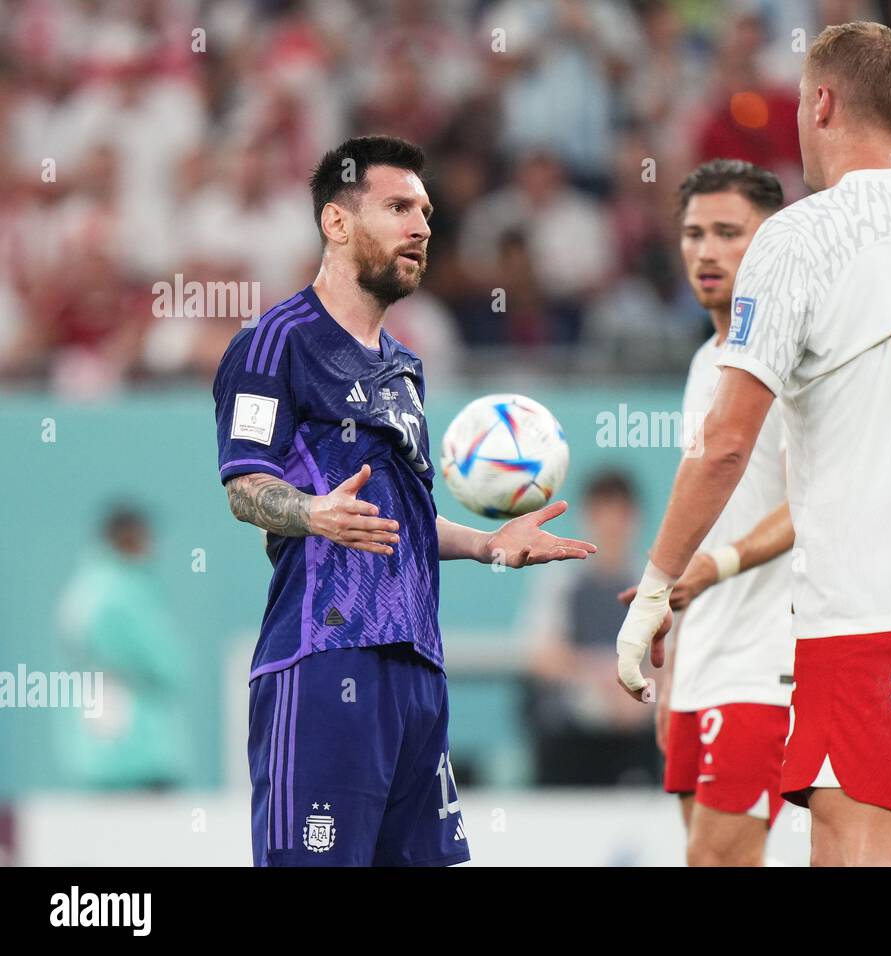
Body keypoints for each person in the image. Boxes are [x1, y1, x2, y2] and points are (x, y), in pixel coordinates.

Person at [614, 21, 891, 867]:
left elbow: (725, 446)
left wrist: (654, 589)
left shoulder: (800, 238)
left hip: (871, 609)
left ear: (820, 102)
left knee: (852, 845)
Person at [213, 135, 595, 867]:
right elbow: (246, 486)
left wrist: (486, 544)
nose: (422, 226)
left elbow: (402, 519)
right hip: (324, 657)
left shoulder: (404, 368)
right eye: (397, 207)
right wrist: (310, 512)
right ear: (337, 222)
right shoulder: (273, 343)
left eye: (425, 210)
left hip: (417, 668)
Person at [619, 159, 795, 866]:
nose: (707, 251)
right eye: (694, 233)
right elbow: (711, 518)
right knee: (706, 856)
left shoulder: (791, 357)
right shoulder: (705, 362)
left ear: (772, 240)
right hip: (704, 658)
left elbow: (812, 504)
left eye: (729, 232)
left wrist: (716, 567)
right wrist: (679, 668)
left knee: (719, 860)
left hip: (768, 658)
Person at [522, 470, 658, 786]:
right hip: (570, 736)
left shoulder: (651, 586)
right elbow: (540, 656)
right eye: (601, 514)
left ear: (634, 518)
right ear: (587, 517)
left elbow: (670, 659)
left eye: (619, 515)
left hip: (636, 733)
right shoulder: (560, 582)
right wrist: (598, 675)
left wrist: (640, 694)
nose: (611, 526)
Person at [56, 504, 190, 791]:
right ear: (128, 538)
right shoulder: (124, 592)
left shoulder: (85, 587)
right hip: (137, 748)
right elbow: (163, 663)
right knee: (144, 828)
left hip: (98, 745)